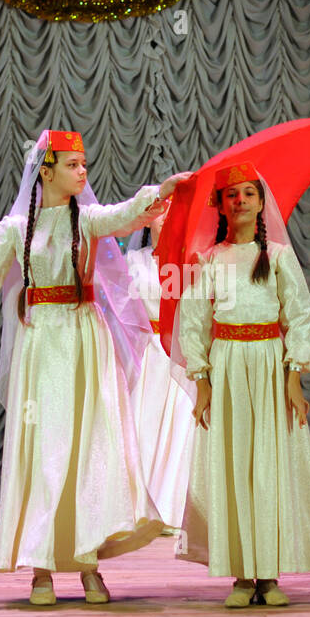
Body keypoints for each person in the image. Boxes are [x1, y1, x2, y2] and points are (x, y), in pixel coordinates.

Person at [0, 129, 187, 605]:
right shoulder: (16, 229)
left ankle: (87, 563)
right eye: (73, 165)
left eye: (84, 165)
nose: (83, 172)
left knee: (92, 450)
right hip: (42, 346)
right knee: (46, 450)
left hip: (87, 341)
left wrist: (161, 190)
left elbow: (126, 215)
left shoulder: (88, 220)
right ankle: (41, 568)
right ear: (46, 170)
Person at [173, 161, 310, 607]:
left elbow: (300, 315)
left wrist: (294, 377)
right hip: (226, 367)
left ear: (261, 202)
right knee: (234, 464)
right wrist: (202, 381)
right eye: (231, 195)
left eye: (248, 193)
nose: (240, 200)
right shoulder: (209, 260)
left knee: (268, 463)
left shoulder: (279, 257)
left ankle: (269, 572)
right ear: (220, 205)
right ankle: (242, 572)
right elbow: (194, 321)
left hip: (267, 364)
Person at [124, 208, 194, 531]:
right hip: (147, 351)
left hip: (178, 351)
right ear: (147, 218)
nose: (166, 215)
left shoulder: (188, 261)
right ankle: (139, 508)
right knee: (144, 426)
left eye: (171, 209)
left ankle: (171, 509)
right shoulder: (133, 262)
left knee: (180, 429)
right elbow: (120, 310)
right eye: (159, 210)